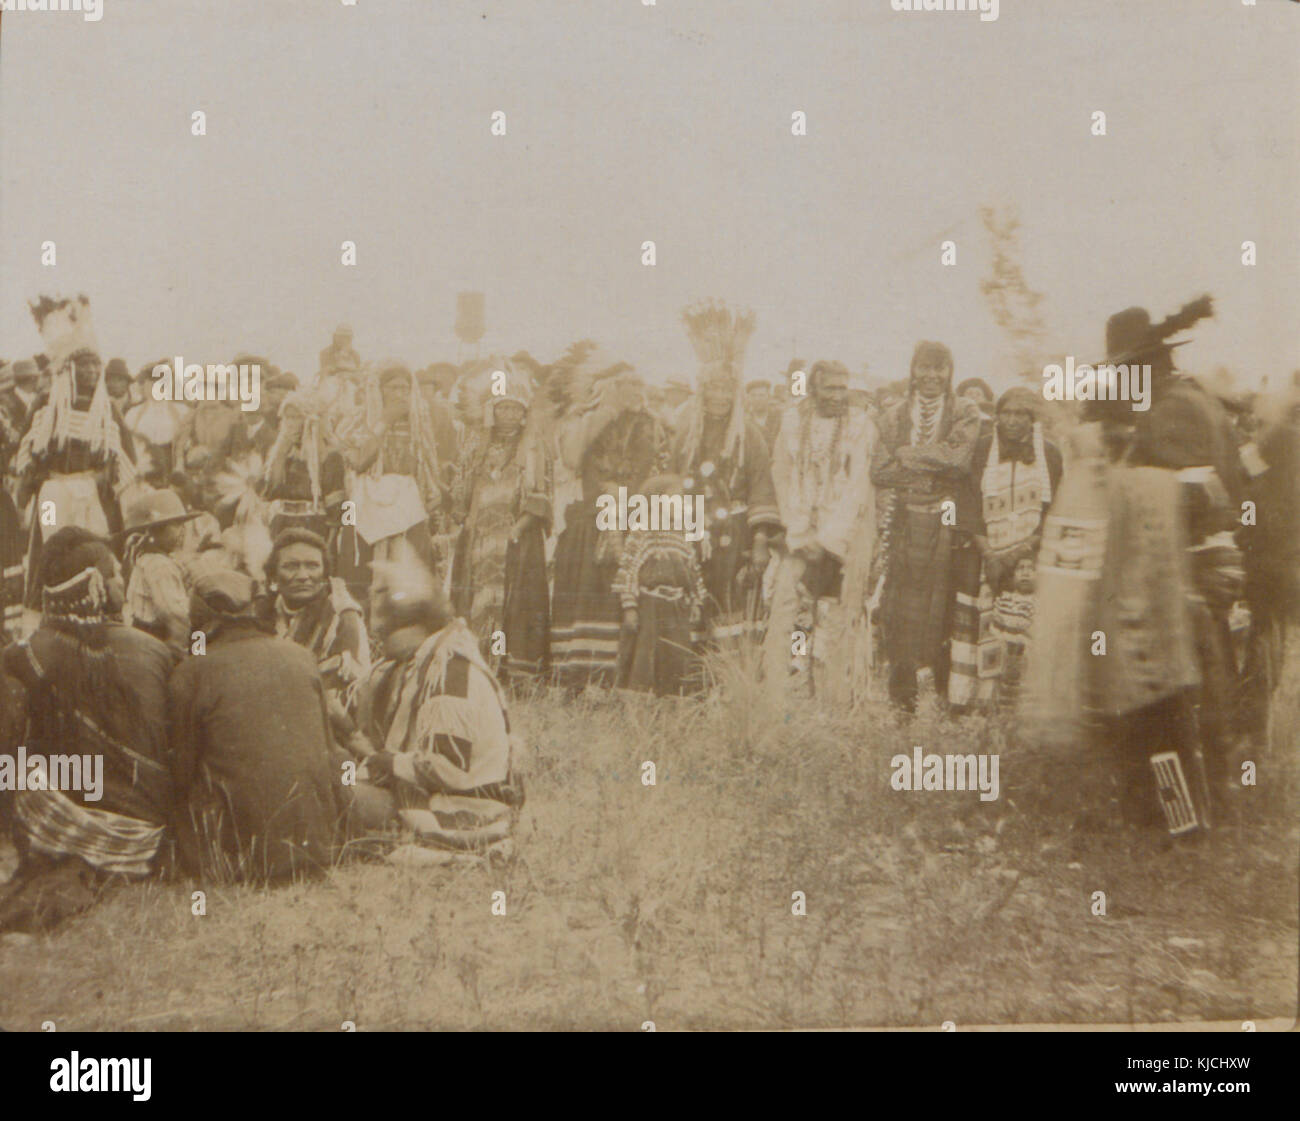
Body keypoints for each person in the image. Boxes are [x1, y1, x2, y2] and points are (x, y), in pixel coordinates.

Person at [0, 528, 174, 932]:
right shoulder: (151, 648)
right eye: (115, 576)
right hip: (142, 840)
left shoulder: (22, 656)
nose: (122, 585)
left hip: (52, 828)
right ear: (96, 586)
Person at [169, 568, 341, 883]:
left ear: (199, 616)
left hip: (239, 857)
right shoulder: (302, 656)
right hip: (317, 846)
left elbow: (181, 772)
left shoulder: (191, 671)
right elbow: (329, 752)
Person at [351, 556, 523, 849]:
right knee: (334, 780)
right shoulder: (415, 664)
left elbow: (447, 769)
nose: (381, 641)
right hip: (425, 795)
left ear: (412, 626)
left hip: (460, 808)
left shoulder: (448, 671)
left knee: (334, 793)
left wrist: (384, 761)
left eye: (386, 632)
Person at [870, 341, 981, 710]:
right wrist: (932, 465)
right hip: (904, 516)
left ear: (950, 372)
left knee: (945, 598)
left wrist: (908, 454)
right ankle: (902, 695)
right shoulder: (893, 414)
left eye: (939, 368)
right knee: (901, 602)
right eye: (924, 367)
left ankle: (946, 695)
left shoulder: (964, 409)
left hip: (948, 513)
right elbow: (880, 471)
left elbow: (959, 461)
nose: (931, 375)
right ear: (913, 370)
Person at [550, 354, 669, 689]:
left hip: (636, 514)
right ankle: (584, 676)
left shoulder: (652, 422)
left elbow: (661, 468)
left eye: (637, 383)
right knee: (592, 588)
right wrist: (604, 414)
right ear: (607, 388)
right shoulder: (585, 418)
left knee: (628, 595)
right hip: (592, 516)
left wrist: (631, 496)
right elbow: (572, 458)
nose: (633, 389)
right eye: (624, 383)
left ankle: (625, 676)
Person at [16, 297, 138, 607]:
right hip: (52, 493)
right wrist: (35, 483)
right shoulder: (47, 405)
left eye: (96, 364)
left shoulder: (107, 410)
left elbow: (127, 457)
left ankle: (99, 605)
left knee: (95, 548)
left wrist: (103, 478)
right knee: (50, 548)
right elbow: (27, 452)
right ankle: (49, 607)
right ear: (70, 368)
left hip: (93, 495)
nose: (93, 370)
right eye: (85, 364)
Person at [764, 359, 876, 696]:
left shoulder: (861, 425)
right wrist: (798, 532)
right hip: (798, 535)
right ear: (813, 387)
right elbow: (781, 476)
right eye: (830, 388)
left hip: (841, 539)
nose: (837, 395)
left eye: (843, 388)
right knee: (790, 609)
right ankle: (792, 683)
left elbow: (858, 486)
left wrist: (828, 541)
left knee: (833, 615)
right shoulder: (791, 421)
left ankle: (829, 691)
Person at [948, 386, 1063, 709]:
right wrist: (990, 553)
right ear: (997, 416)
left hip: (1029, 557)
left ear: (1032, 418)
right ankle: (972, 700)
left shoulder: (1050, 454)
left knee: (1023, 624)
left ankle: (1018, 704)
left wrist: (1018, 552)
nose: (1012, 421)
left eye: (1020, 414)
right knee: (980, 621)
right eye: (1006, 413)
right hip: (982, 553)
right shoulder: (982, 448)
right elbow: (968, 502)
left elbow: (1053, 508)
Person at [674, 305, 780, 646]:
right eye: (713, 388)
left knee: (733, 604)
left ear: (736, 393)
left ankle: (732, 670)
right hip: (692, 529)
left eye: (726, 389)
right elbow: (671, 481)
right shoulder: (686, 431)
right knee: (692, 599)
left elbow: (762, 487)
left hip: (735, 534)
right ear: (702, 390)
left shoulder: (749, 435)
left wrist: (760, 542)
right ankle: (693, 670)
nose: (719, 396)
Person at [449, 361, 553, 681]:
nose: (509, 414)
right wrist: (465, 517)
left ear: (524, 413)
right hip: (479, 536)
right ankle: (477, 662)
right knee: (475, 597)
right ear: (491, 411)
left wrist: (517, 528)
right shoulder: (476, 445)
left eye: (515, 408)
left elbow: (541, 495)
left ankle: (510, 669)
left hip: (516, 538)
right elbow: (462, 490)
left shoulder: (533, 448)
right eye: (503, 407)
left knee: (514, 601)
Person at [612, 473, 710, 696]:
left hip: (677, 608)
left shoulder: (683, 536)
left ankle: (673, 702)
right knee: (646, 657)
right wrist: (630, 607)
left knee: (677, 655)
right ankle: (642, 704)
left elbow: (693, 572)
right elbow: (628, 571)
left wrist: (696, 602)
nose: (680, 504)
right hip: (650, 607)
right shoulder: (644, 532)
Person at [263, 528, 370, 729]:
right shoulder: (262, 612)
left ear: (324, 573)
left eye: (313, 566)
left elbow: (350, 688)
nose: (303, 576)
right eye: (291, 566)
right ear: (274, 575)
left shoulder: (342, 617)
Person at [121, 486, 201, 653]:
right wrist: (191, 653)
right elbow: (176, 616)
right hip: (158, 640)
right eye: (176, 525)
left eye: (183, 525)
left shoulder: (146, 558)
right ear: (157, 530)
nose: (183, 531)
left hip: (143, 635)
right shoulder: (160, 565)